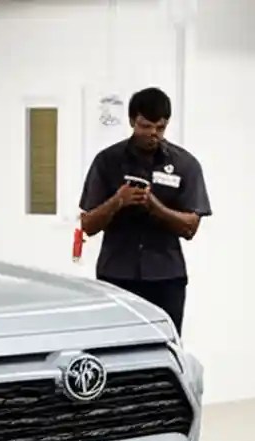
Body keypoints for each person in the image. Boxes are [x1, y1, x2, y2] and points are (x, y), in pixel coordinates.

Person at [78, 87, 212, 335]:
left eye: (159, 128)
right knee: (113, 345)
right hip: (116, 276)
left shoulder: (185, 165)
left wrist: (155, 206)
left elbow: (190, 227)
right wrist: (118, 200)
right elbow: (88, 224)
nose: (152, 134)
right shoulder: (107, 161)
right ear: (132, 121)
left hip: (166, 278)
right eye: (145, 126)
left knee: (163, 345)